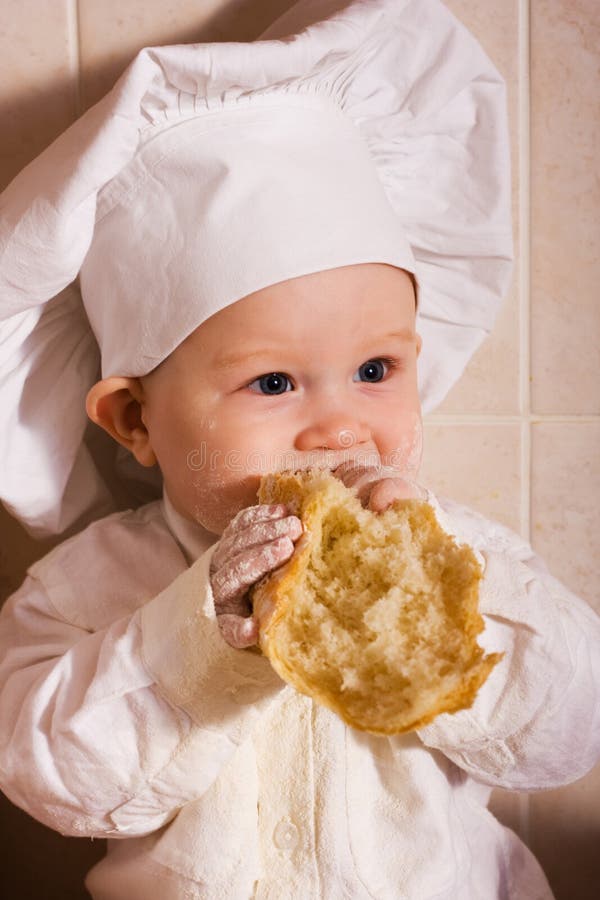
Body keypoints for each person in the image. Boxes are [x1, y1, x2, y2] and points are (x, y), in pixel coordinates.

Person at [0, 1, 598, 897]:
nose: (341, 427)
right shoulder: (88, 590)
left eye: (375, 368)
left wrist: (452, 610)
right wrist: (198, 644)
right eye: (274, 384)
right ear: (134, 421)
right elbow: (53, 785)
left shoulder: (465, 557)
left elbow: (568, 734)